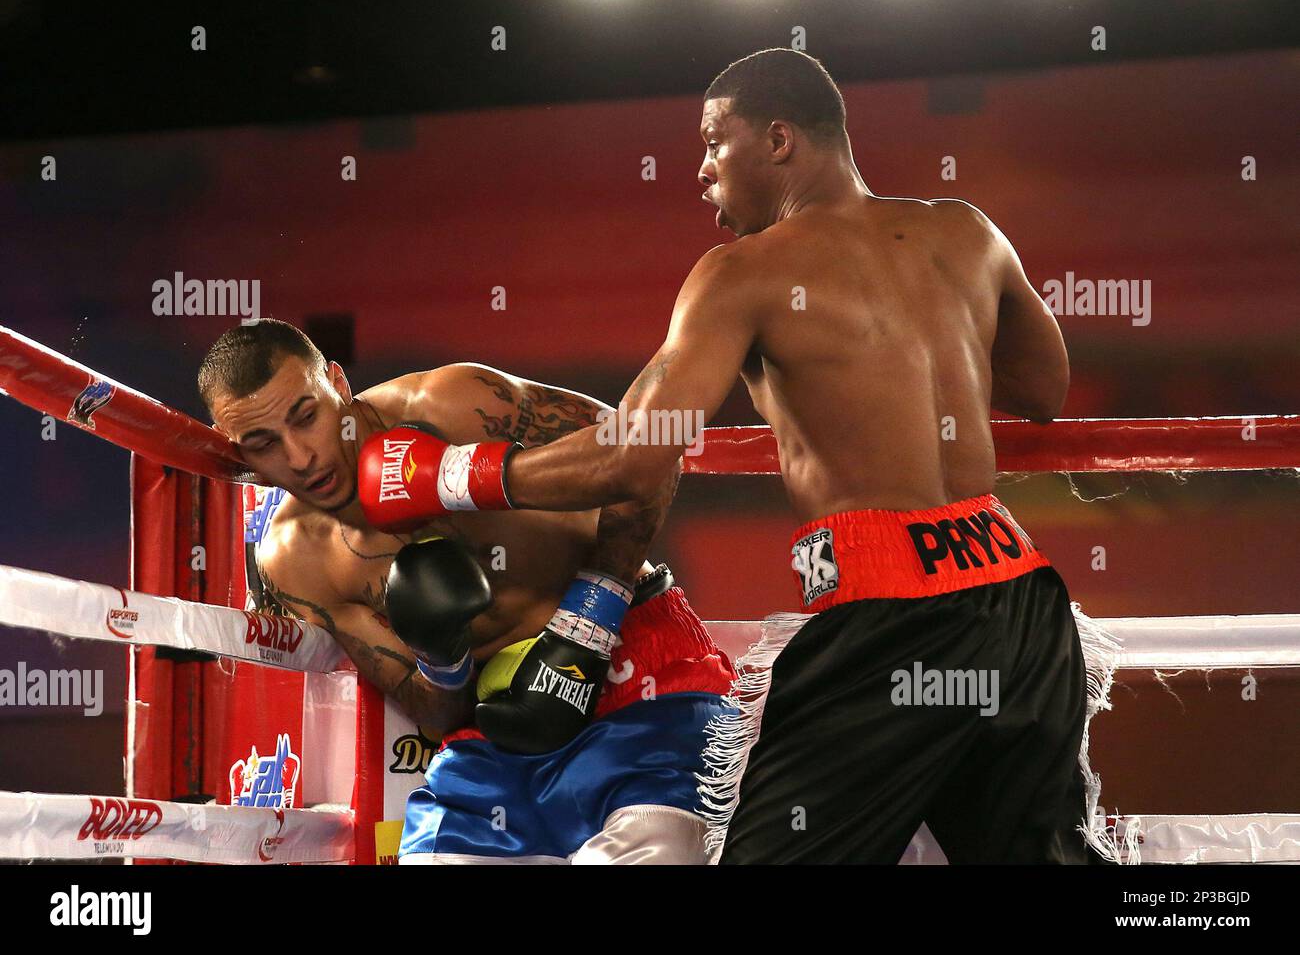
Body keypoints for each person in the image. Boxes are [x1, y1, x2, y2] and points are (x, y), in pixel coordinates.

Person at [357, 49, 1096, 863]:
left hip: (889, 619)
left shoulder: (741, 274)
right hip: (1021, 599)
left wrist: (449, 475)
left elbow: (637, 456)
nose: (701, 171)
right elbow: (1043, 385)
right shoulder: (965, 229)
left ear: (779, 138)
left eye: (714, 142)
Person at [198, 319, 734, 863]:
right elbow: (433, 713)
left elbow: (647, 450)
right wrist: (443, 657)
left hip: (639, 676)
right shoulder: (297, 562)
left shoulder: (451, 406)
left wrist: (587, 618)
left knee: (657, 849)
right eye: (264, 444)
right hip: (504, 726)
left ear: (337, 383)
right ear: (240, 452)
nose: (300, 457)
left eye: (306, 418)